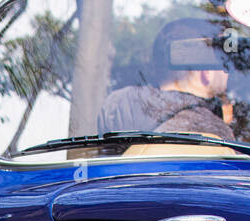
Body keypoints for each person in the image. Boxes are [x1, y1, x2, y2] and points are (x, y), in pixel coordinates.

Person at [97, 18, 235, 140]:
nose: (227, 72)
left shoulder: (115, 110)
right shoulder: (214, 132)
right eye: (223, 61)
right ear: (206, 71)